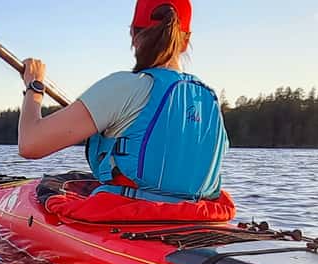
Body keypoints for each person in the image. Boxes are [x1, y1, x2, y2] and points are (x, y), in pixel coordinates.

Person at [17, 0, 229, 204]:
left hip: (130, 216)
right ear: (186, 41)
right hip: (196, 219)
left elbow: (30, 144)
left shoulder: (124, 87)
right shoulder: (209, 100)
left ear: (133, 35)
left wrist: (34, 87)